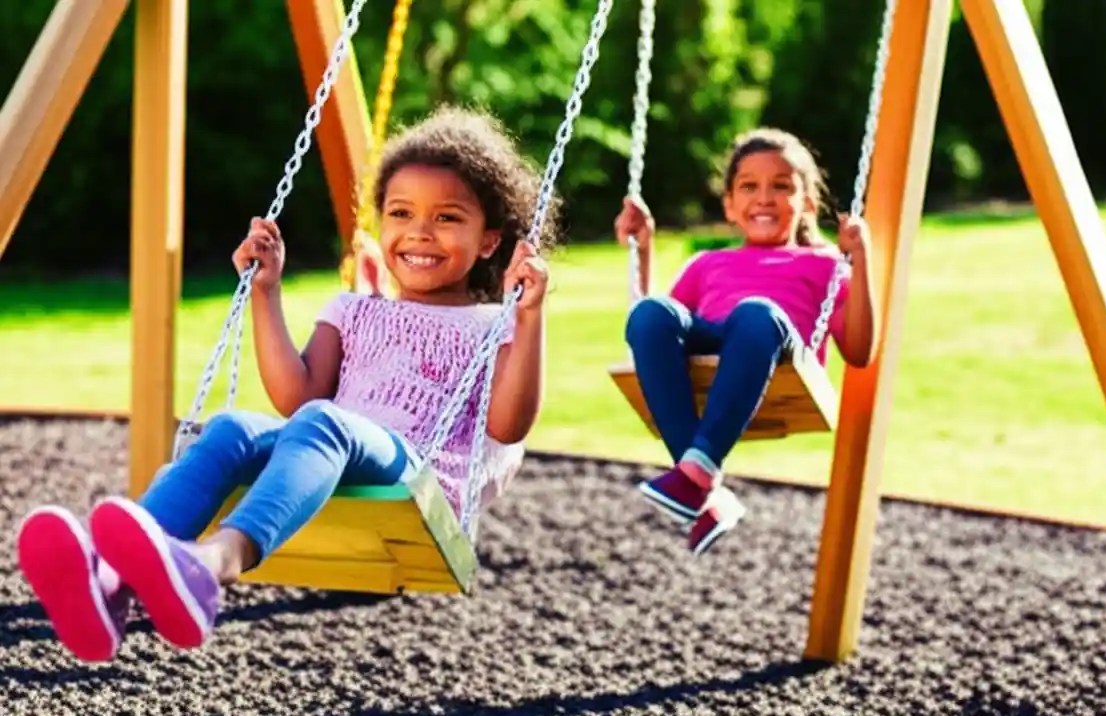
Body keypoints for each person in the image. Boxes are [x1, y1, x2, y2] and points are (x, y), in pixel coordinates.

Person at [15, 107, 554, 662]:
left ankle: (211, 565)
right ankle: (108, 586)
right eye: (401, 213)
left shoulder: (496, 323)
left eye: (447, 218)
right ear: (381, 224)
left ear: (489, 241)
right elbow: (298, 396)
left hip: (418, 473)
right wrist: (265, 292)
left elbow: (507, 426)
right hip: (334, 448)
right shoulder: (351, 311)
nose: (419, 231)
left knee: (323, 423)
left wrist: (530, 317)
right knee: (230, 430)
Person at [616, 127, 876, 556]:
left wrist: (860, 259)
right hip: (714, 347)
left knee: (755, 312)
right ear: (730, 205)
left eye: (781, 186)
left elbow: (861, 350)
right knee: (650, 314)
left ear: (808, 203)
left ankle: (697, 475)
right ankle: (701, 482)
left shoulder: (825, 263)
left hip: (773, 350)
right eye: (749, 186)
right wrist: (642, 252)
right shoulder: (708, 263)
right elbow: (650, 339)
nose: (764, 197)